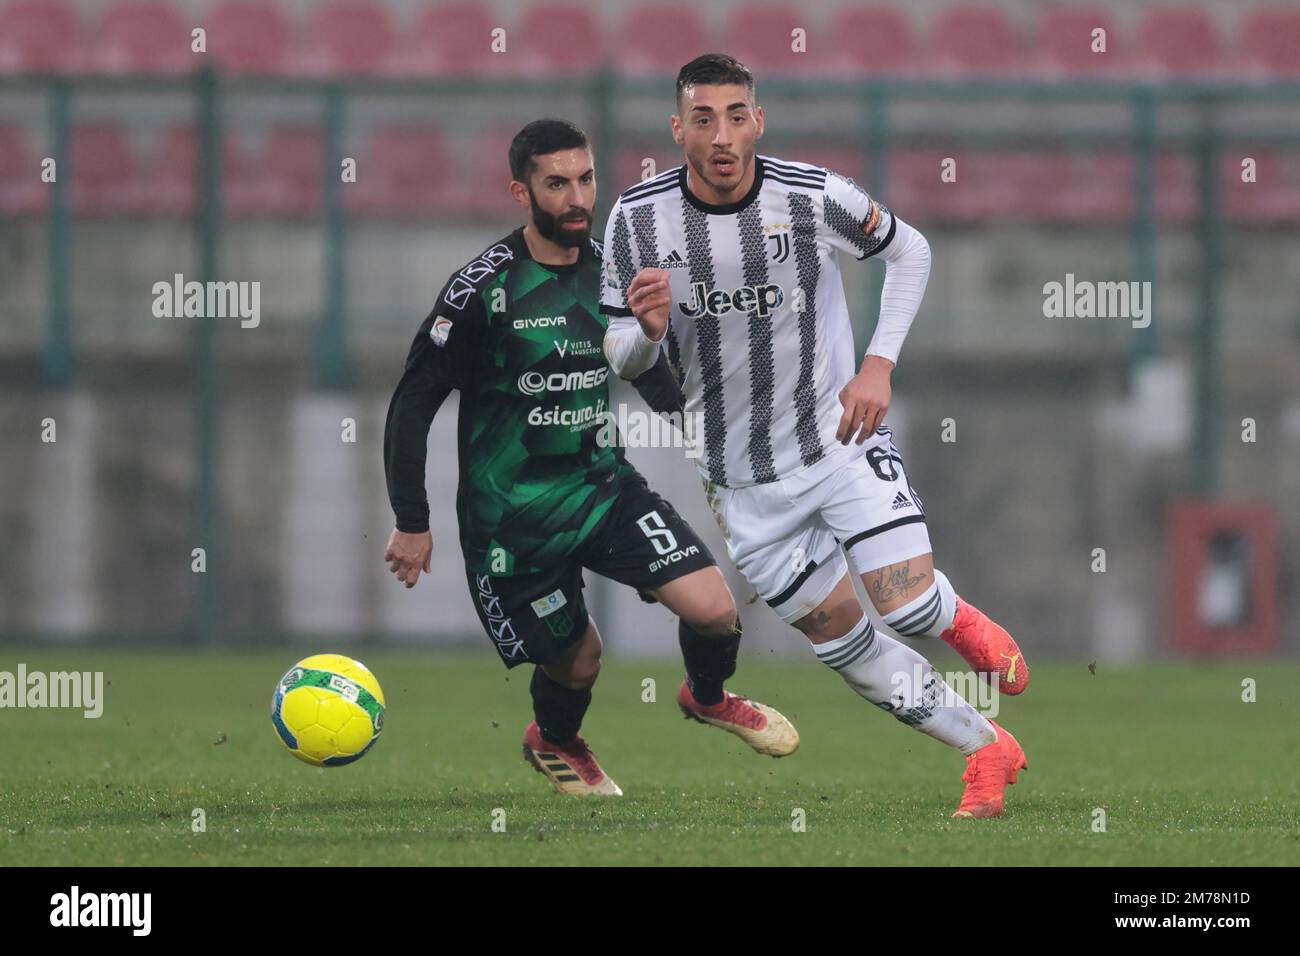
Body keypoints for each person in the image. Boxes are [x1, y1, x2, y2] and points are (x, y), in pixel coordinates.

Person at [601, 56, 1029, 818]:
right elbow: (619, 355)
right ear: (678, 130)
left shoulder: (810, 195)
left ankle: (951, 617)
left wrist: (877, 366)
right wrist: (646, 332)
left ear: (758, 121)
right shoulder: (636, 219)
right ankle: (985, 749)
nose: (722, 135)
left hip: (839, 439)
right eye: (704, 119)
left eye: (737, 115)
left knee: (903, 607)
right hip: (741, 479)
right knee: (848, 650)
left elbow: (911, 251)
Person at [382, 118, 798, 797]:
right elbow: (412, 404)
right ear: (521, 192)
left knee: (715, 610)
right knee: (580, 663)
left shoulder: (614, 272)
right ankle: (555, 739)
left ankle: (708, 695)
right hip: (513, 517)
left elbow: (647, 374)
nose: (577, 198)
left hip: (603, 489)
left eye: (586, 179)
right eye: (557, 184)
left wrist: (714, 434)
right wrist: (410, 518)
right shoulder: (481, 290)